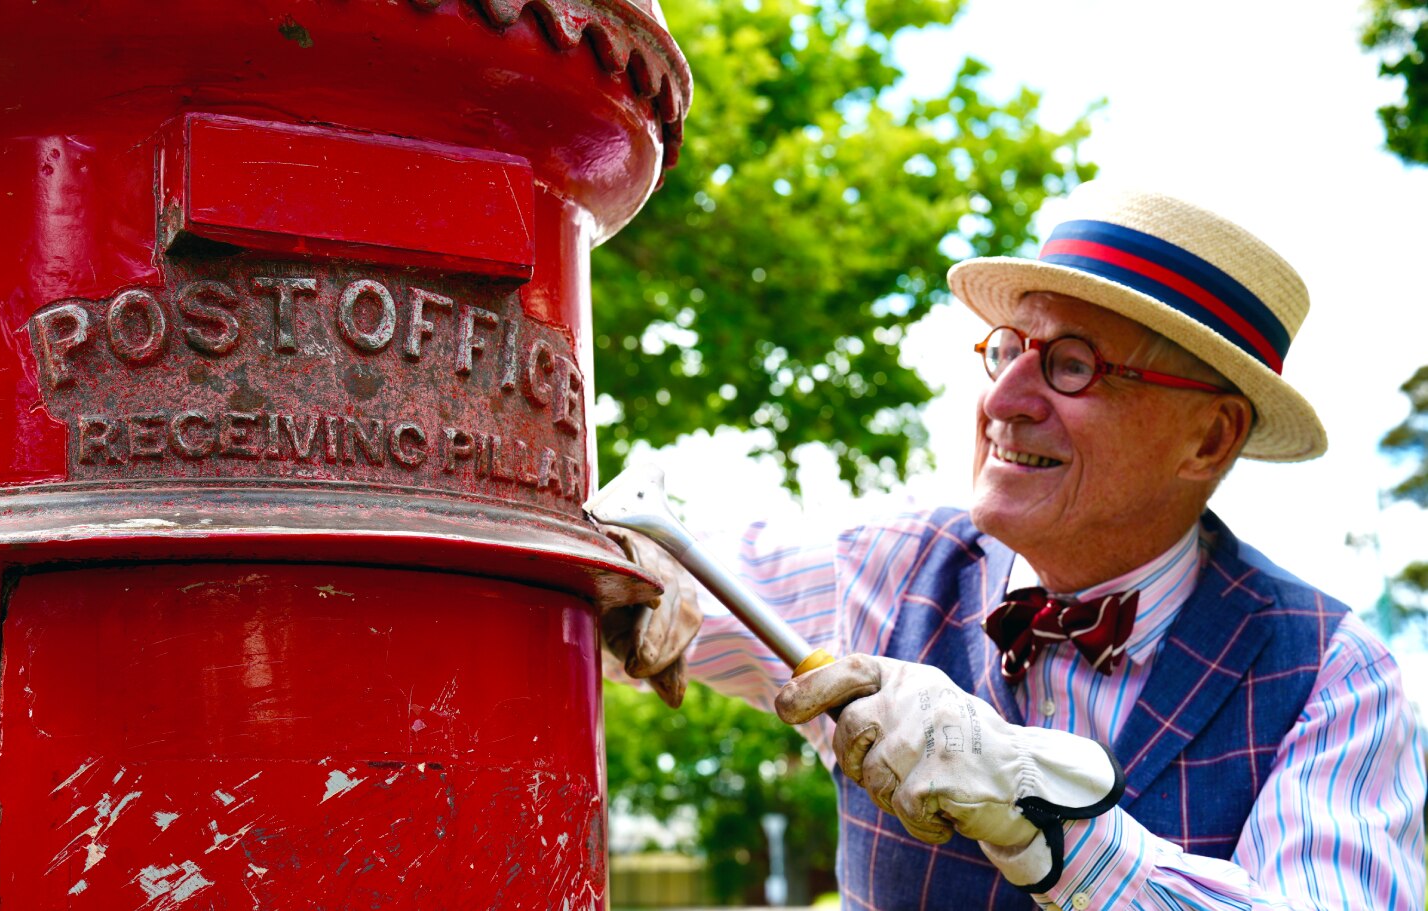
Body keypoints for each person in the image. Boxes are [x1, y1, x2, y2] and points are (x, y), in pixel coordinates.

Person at [600, 182, 1427, 910]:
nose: (1002, 396)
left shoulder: (1336, 679)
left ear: (1210, 438)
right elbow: (620, 567)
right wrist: (629, 557)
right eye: (1006, 347)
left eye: (1072, 365)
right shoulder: (888, 571)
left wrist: (1043, 820)